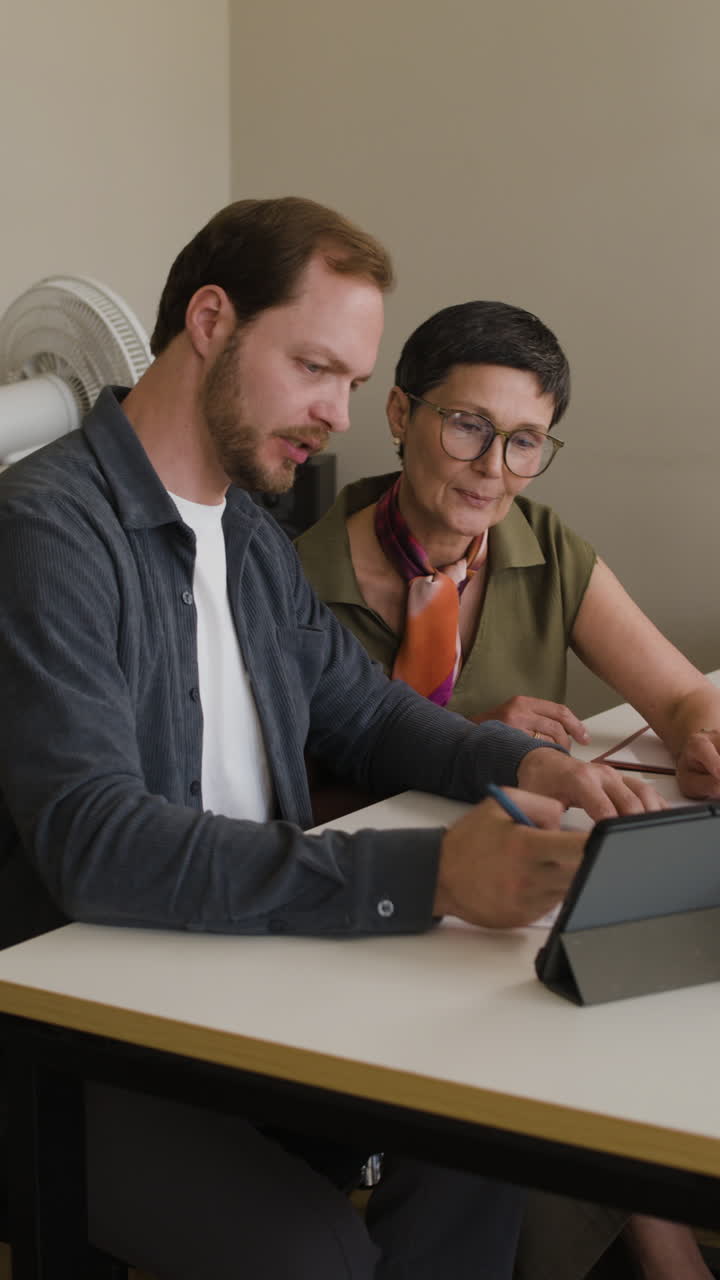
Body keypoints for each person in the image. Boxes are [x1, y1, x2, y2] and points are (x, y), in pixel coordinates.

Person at [0, 199, 665, 1280]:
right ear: (210, 319)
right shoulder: (49, 529)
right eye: (315, 366)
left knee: (490, 1134)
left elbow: (365, 710)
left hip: (241, 975)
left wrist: (530, 763)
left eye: (352, 383)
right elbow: (95, 839)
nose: (337, 415)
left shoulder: (249, 540)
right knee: (317, 1256)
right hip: (86, 1036)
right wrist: (435, 870)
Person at [295, 299, 720, 1279]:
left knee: (636, 957)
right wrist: (468, 747)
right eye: (468, 425)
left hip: (522, 910)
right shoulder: (300, 578)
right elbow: (282, 807)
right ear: (399, 413)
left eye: (524, 441)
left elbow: (680, 688)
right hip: (390, 912)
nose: (493, 469)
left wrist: (699, 737)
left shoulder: (541, 543)